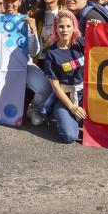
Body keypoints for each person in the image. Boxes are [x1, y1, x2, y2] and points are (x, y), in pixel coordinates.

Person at [0, 0, 48, 126]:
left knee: (45, 86)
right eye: (6, 0)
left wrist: (33, 30)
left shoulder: (26, 20)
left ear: (19, 2)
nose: (9, 3)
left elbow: (33, 52)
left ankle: (33, 109)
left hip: (22, 64)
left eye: (13, 0)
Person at [40, 10, 86, 144]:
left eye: (68, 26)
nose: (64, 30)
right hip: (65, 96)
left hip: (85, 95)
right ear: (55, 29)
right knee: (69, 136)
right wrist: (72, 107)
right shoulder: (51, 53)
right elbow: (55, 86)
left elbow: (101, 40)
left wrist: (96, 26)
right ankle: (60, 115)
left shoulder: (81, 44)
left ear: (74, 27)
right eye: (61, 26)